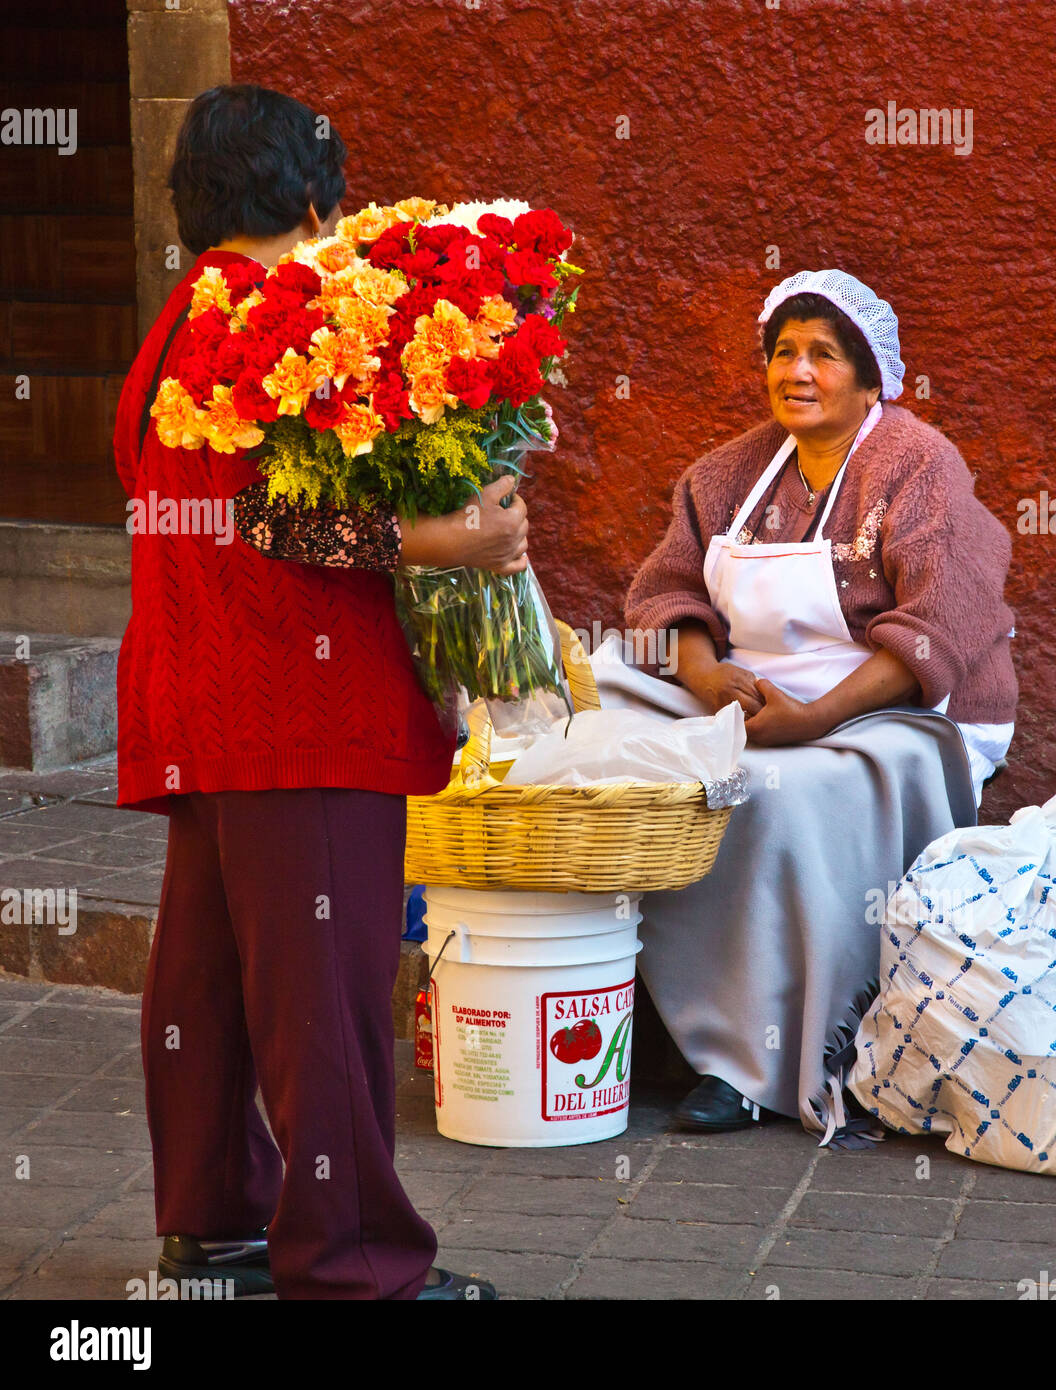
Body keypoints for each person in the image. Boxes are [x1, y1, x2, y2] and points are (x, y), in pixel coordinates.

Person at [114, 84, 527, 1299]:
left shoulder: (174, 322)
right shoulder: (268, 316)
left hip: (201, 694)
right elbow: (277, 517)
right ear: (307, 194)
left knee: (205, 973)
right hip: (293, 698)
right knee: (322, 996)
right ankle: (353, 1266)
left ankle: (216, 1220)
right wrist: (444, 541)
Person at [592, 268, 1018, 1143]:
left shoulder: (918, 466)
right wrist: (709, 681)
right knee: (604, 728)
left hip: (899, 709)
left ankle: (752, 1066)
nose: (797, 371)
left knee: (770, 799)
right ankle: (612, 1014)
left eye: (824, 355)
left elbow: (940, 626)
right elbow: (662, 598)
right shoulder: (726, 473)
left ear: (871, 378)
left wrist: (813, 721)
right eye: (783, 352)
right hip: (747, 694)